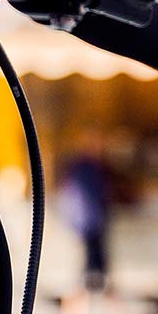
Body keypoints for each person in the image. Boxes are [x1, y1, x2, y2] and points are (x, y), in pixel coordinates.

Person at [58, 128, 113, 302]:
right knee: (91, 262)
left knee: (95, 261)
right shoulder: (85, 169)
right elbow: (85, 196)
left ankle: (92, 295)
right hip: (89, 221)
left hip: (91, 220)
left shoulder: (89, 167)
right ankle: (86, 297)